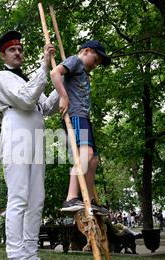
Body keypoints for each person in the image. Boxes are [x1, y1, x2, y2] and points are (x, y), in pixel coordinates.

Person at [0, 30, 59, 260]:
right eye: (12, 50)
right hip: (16, 135)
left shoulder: (28, 79)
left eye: (20, 49)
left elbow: (46, 106)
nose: (18, 53)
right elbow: (26, 99)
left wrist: (62, 79)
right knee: (19, 197)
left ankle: (31, 253)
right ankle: (16, 258)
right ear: (4, 55)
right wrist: (44, 66)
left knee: (36, 198)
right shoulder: (2, 76)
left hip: (36, 139)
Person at [50, 40, 110, 215]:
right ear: (87, 51)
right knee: (85, 153)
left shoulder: (83, 71)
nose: (96, 65)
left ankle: (89, 200)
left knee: (93, 159)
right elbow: (55, 73)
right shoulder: (75, 61)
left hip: (84, 118)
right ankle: (71, 197)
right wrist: (63, 97)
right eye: (96, 60)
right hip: (75, 116)